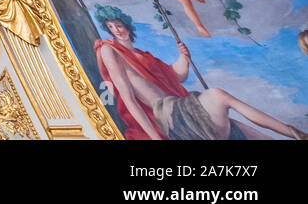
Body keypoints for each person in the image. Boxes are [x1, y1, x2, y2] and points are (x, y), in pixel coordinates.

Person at [94, 8, 306, 140]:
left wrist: (183, 58)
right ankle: (295, 132)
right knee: (218, 95)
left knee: (242, 129)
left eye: (118, 25)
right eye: (111, 27)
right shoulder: (109, 50)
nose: (116, 30)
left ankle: (294, 137)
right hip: (167, 114)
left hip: (181, 105)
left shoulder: (144, 55)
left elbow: (176, 77)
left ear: (127, 27)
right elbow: (128, 99)